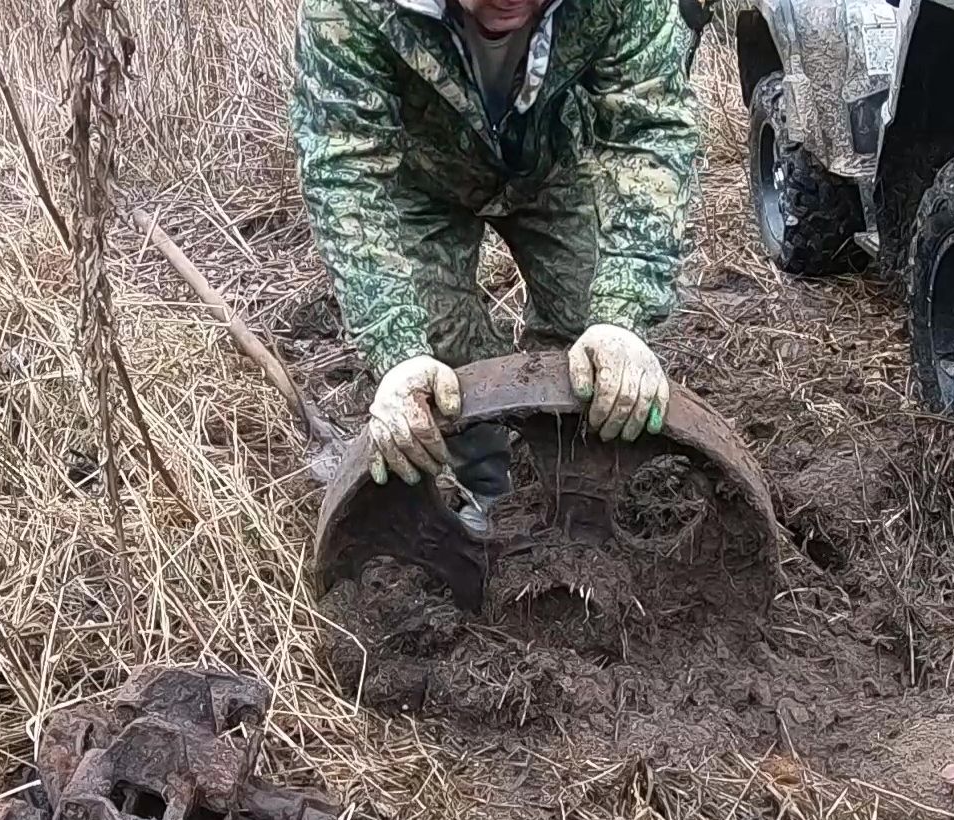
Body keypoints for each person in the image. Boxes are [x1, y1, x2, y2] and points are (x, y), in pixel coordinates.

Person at [290, 0, 702, 487]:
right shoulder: (349, 7)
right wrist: (396, 350)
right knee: (437, 364)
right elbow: (345, 169)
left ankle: (575, 484)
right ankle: (489, 487)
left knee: (598, 343)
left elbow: (650, 129)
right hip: (422, 180)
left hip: (553, 161)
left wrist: (623, 312)